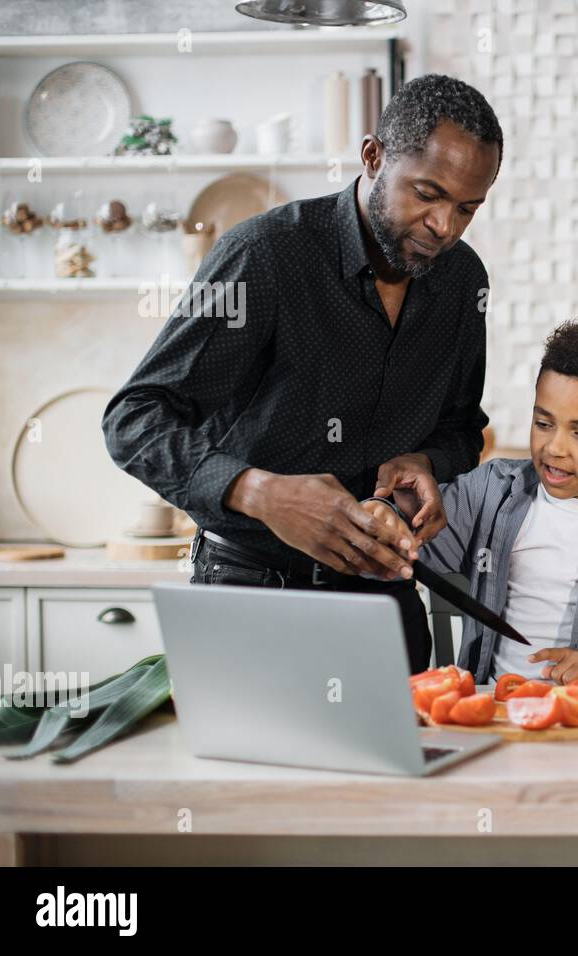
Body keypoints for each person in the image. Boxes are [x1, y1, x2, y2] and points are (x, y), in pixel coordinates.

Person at [102, 74, 503, 672]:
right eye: (427, 193)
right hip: (250, 597)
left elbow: (462, 427)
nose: (444, 226)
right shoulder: (263, 256)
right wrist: (260, 492)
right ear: (373, 157)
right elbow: (133, 419)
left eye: (466, 208)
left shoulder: (462, 282)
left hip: (384, 606)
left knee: (409, 764)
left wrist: (430, 463)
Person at [364, 316, 578, 684]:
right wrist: (383, 517)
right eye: (544, 424)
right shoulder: (490, 490)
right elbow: (405, 536)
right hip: (494, 715)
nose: (554, 448)